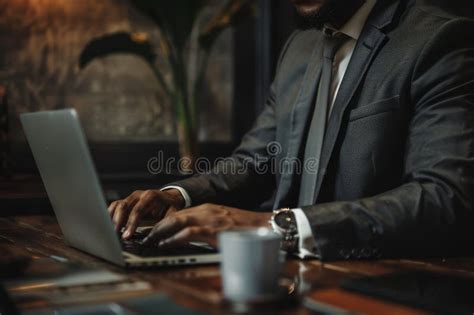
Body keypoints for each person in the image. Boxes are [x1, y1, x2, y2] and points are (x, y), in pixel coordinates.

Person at [108, 0, 474, 260]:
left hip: (387, 285)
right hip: (289, 281)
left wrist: (276, 227)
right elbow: (256, 161)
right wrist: (177, 196)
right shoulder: (299, 48)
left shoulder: (439, 40)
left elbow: (446, 197)